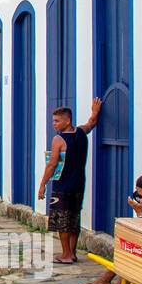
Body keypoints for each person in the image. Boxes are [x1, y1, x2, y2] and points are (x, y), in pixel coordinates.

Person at [81, 175, 142, 284]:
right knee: (128, 250)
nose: (137, 195)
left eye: (139, 191)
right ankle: (105, 280)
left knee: (133, 256)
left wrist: (138, 213)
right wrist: (140, 213)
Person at [38, 98, 102, 264]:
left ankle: (66, 254)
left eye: (57, 121)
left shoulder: (59, 140)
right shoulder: (81, 133)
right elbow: (91, 123)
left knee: (62, 219)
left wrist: (42, 184)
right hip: (79, 183)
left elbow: (52, 164)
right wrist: (95, 112)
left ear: (67, 120)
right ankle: (72, 253)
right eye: (53, 121)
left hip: (63, 184)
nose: (54, 124)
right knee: (74, 218)